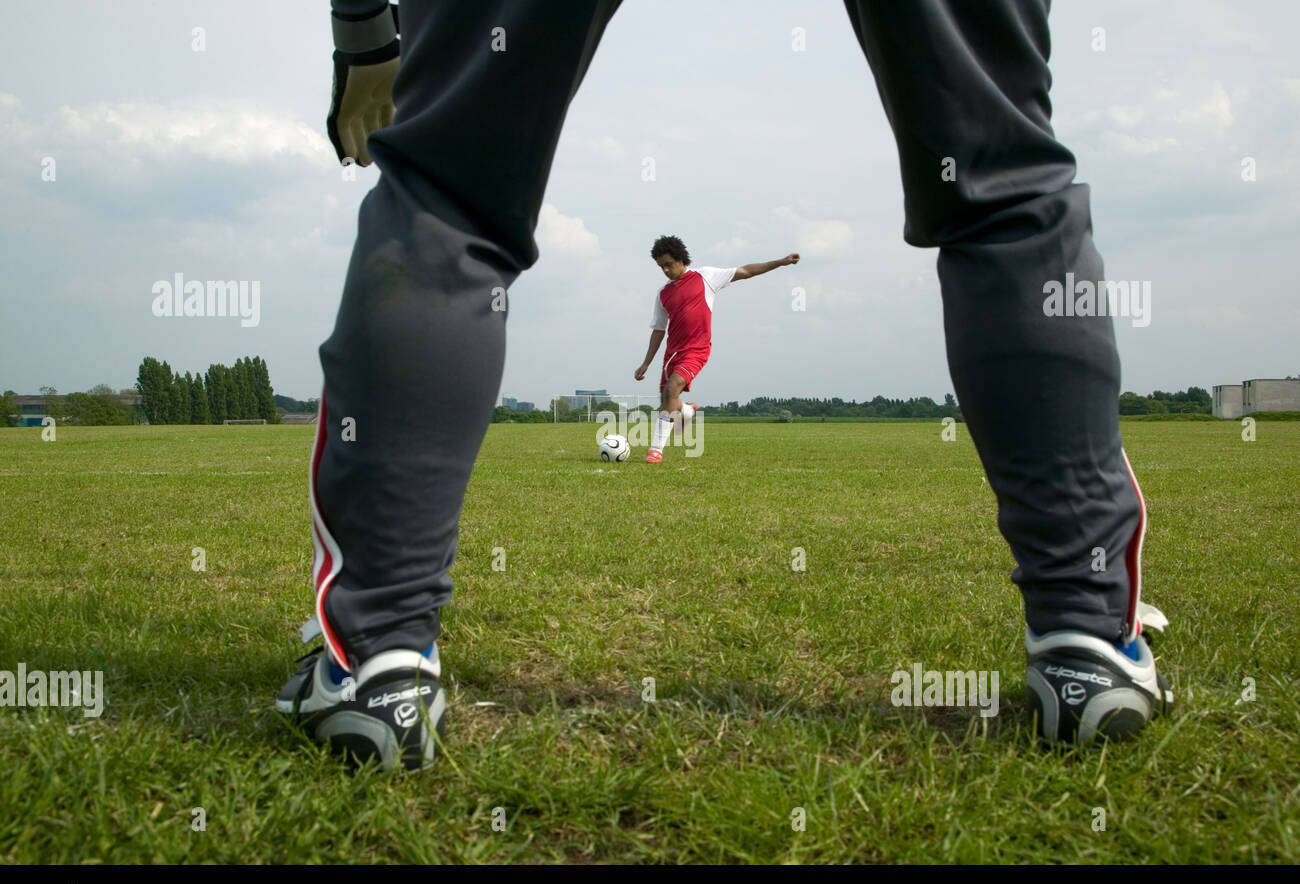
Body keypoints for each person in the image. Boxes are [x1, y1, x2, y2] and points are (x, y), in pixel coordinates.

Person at [277, 0, 1173, 770]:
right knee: (1002, 189)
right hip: (678, 358)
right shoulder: (669, 289)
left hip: (686, 356)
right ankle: (1086, 641)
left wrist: (361, 26)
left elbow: (728, 277)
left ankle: (381, 663)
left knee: (448, 194)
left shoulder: (695, 271)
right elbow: (665, 320)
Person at [635, 236, 798, 462]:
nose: (665, 270)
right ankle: (687, 411)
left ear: (681, 259)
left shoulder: (706, 276)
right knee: (667, 399)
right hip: (672, 352)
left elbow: (746, 271)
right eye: (661, 266)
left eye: (668, 264)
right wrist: (646, 363)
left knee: (672, 388)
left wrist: (780, 262)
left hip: (697, 350)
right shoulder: (662, 294)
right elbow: (659, 330)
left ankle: (655, 450)